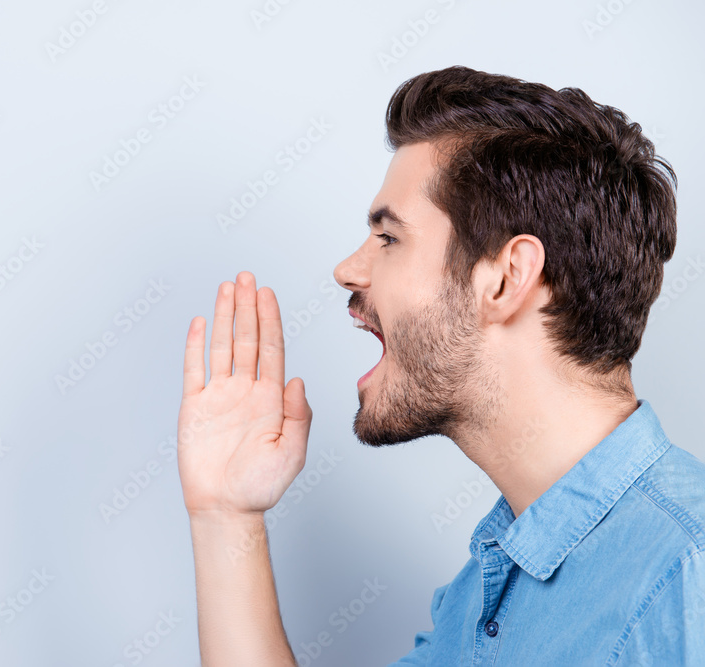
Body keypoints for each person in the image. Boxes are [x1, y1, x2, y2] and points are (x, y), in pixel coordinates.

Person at [176, 65, 705, 665]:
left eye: (389, 238)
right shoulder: (485, 593)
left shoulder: (687, 575)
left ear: (506, 279)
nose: (349, 269)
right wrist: (226, 516)